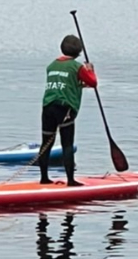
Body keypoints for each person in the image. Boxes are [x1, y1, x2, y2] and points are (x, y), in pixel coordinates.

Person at [38, 35, 98, 186]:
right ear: (79, 52)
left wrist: (79, 84)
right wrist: (90, 70)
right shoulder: (76, 67)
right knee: (67, 144)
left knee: (46, 143)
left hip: (47, 107)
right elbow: (93, 82)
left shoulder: (51, 66)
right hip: (65, 108)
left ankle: (44, 178)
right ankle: (71, 180)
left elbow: (66, 82)